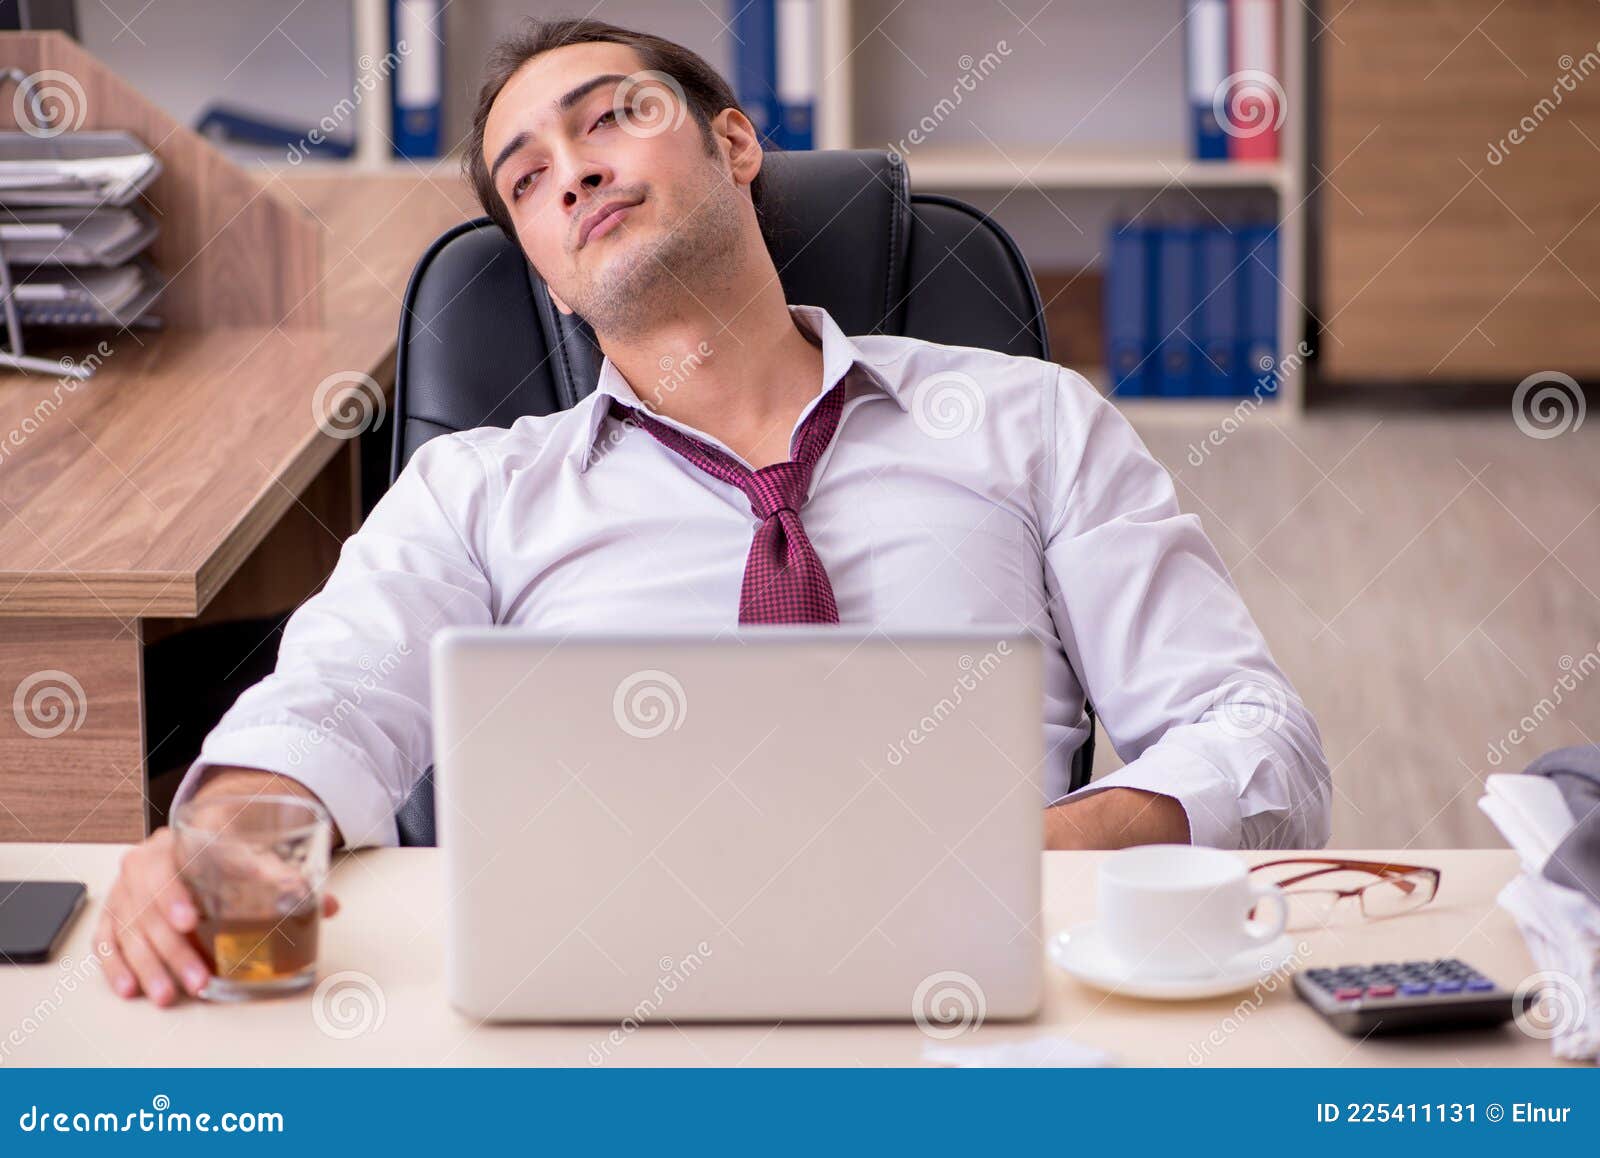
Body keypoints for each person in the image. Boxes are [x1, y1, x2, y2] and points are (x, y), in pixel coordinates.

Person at [99, 17, 1331, 1005]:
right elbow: (328, 710)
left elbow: (1253, 735)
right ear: (540, 269)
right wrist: (220, 829)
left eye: (612, 120)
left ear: (736, 145)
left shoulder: (1032, 421)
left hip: (969, 996)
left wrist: (1033, 854)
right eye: (526, 178)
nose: (573, 168)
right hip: (593, 1012)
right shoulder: (475, 490)